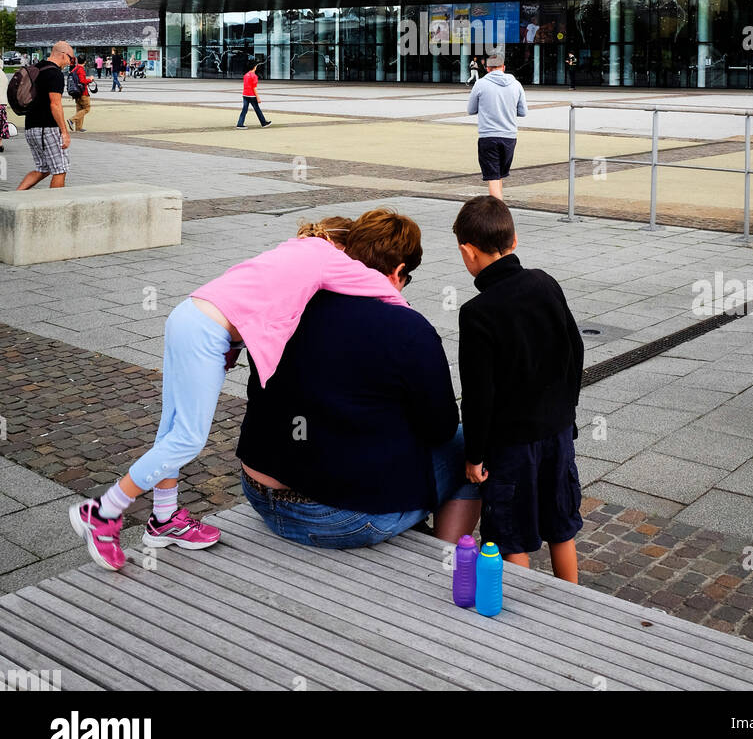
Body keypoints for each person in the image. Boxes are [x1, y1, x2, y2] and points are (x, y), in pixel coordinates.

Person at [67, 215, 413, 571]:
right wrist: (408, 317)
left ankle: (164, 518)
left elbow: (261, 299)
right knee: (186, 439)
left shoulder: (295, 248)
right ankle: (103, 511)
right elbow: (377, 287)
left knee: (171, 429)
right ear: (343, 245)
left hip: (189, 316)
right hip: (206, 332)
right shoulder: (329, 257)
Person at [239, 209, 482, 548]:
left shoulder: (291, 301)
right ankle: (444, 566)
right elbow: (439, 428)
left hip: (258, 490)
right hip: (339, 519)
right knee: (472, 446)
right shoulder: (407, 329)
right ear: (398, 272)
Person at [452, 196, 584, 583]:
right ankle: (574, 600)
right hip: (557, 433)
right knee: (561, 524)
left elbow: (478, 395)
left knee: (511, 536)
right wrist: (566, 414)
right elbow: (575, 350)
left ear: (467, 252)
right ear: (514, 240)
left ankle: (521, 623)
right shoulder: (545, 283)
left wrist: (474, 455)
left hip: (510, 447)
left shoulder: (477, 313)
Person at [466, 52, 527, 199]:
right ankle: (499, 210)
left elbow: (471, 110)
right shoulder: (516, 84)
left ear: (487, 68)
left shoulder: (480, 84)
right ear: (503, 67)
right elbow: (523, 111)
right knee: (499, 175)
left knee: (492, 177)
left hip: (488, 136)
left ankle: (499, 214)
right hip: (509, 137)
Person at [15, 41, 72, 190]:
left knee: (43, 168)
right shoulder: (55, 74)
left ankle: (15, 198)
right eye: (70, 58)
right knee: (60, 169)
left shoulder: (36, 68)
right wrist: (64, 132)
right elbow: (55, 104)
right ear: (63, 55)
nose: (70, 63)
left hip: (31, 126)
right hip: (47, 128)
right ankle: (55, 207)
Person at [237, 61, 271, 128]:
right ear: (254, 67)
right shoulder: (254, 76)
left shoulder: (246, 75)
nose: (256, 67)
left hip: (245, 94)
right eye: (256, 66)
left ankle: (240, 124)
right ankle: (263, 123)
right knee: (257, 109)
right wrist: (258, 97)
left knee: (244, 109)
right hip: (252, 95)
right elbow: (254, 88)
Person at [68, 54, 95, 133]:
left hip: (76, 93)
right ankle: (71, 120)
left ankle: (79, 128)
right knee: (86, 109)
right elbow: (82, 81)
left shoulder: (74, 69)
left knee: (79, 109)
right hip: (83, 92)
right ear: (85, 62)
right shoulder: (81, 69)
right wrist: (90, 79)